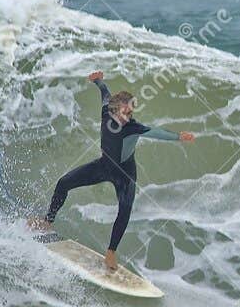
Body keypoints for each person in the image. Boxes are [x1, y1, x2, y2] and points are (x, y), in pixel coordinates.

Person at [31, 71, 195, 270]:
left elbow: (156, 132)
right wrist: (97, 80)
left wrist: (179, 136)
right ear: (114, 111)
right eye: (125, 113)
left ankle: (110, 253)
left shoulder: (133, 128)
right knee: (63, 183)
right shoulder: (105, 110)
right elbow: (105, 92)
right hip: (104, 166)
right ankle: (48, 222)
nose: (128, 117)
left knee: (124, 209)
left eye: (130, 113)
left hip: (124, 175)